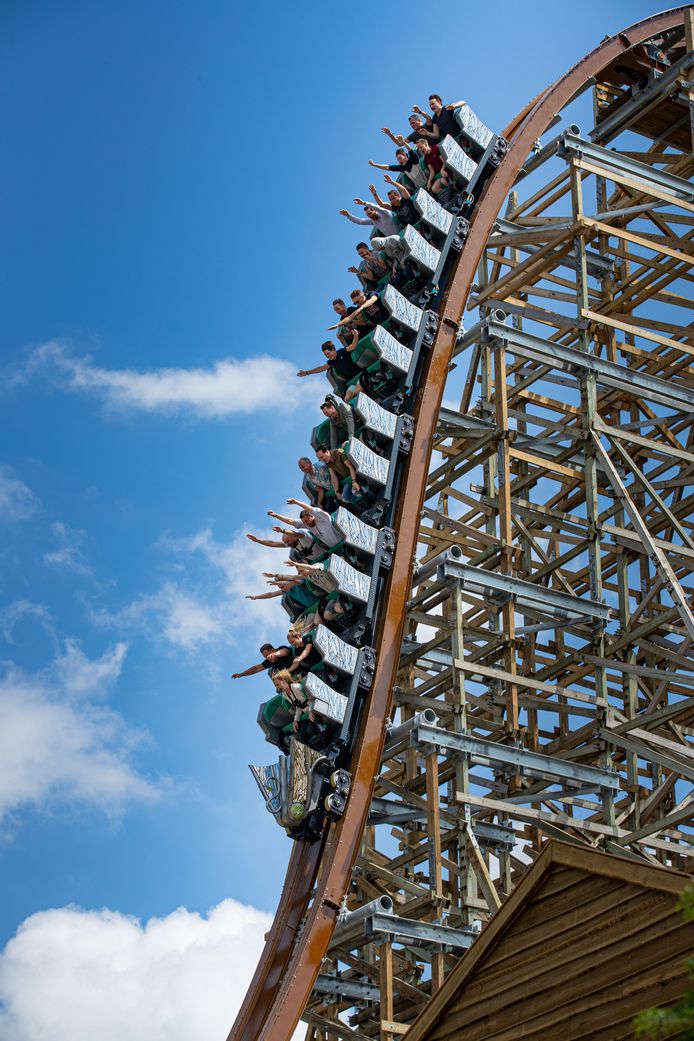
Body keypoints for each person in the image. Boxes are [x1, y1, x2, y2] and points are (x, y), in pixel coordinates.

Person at [296, 335, 361, 397]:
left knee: (356, 391)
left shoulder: (342, 352)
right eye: (325, 355)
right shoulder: (331, 362)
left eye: (328, 353)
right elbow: (320, 368)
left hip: (361, 376)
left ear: (333, 349)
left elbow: (353, 346)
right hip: (353, 382)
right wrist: (306, 372)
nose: (327, 356)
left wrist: (355, 336)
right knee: (347, 398)